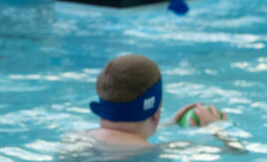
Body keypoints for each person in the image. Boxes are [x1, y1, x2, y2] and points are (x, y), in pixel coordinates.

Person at [88, 54, 225, 148]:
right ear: (156, 112)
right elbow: (238, 152)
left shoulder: (78, 138)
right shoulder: (156, 151)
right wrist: (215, 128)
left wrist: (170, 124)